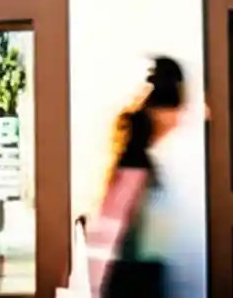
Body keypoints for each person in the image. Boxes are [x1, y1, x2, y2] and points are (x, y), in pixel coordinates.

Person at [86, 56, 186, 297]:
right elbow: (109, 233)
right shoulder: (134, 164)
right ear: (159, 113)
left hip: (141, 278)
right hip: (131, 283)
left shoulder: (142, 161)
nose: (178, 120)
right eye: (175, 111)